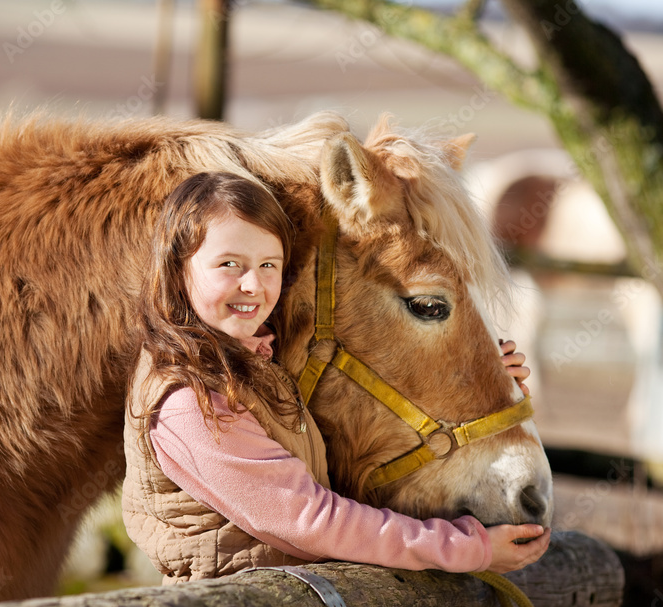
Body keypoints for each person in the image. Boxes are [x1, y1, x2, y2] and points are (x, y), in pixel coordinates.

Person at [121, 171, 551, 584]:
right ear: (177, 267)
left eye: (269, 264)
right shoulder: (188, 399)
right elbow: (308, 521)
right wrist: (468, 548)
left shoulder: (257, 359)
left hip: (289, 606)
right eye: (229, 264)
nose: (253, 284)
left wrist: (484, 377)